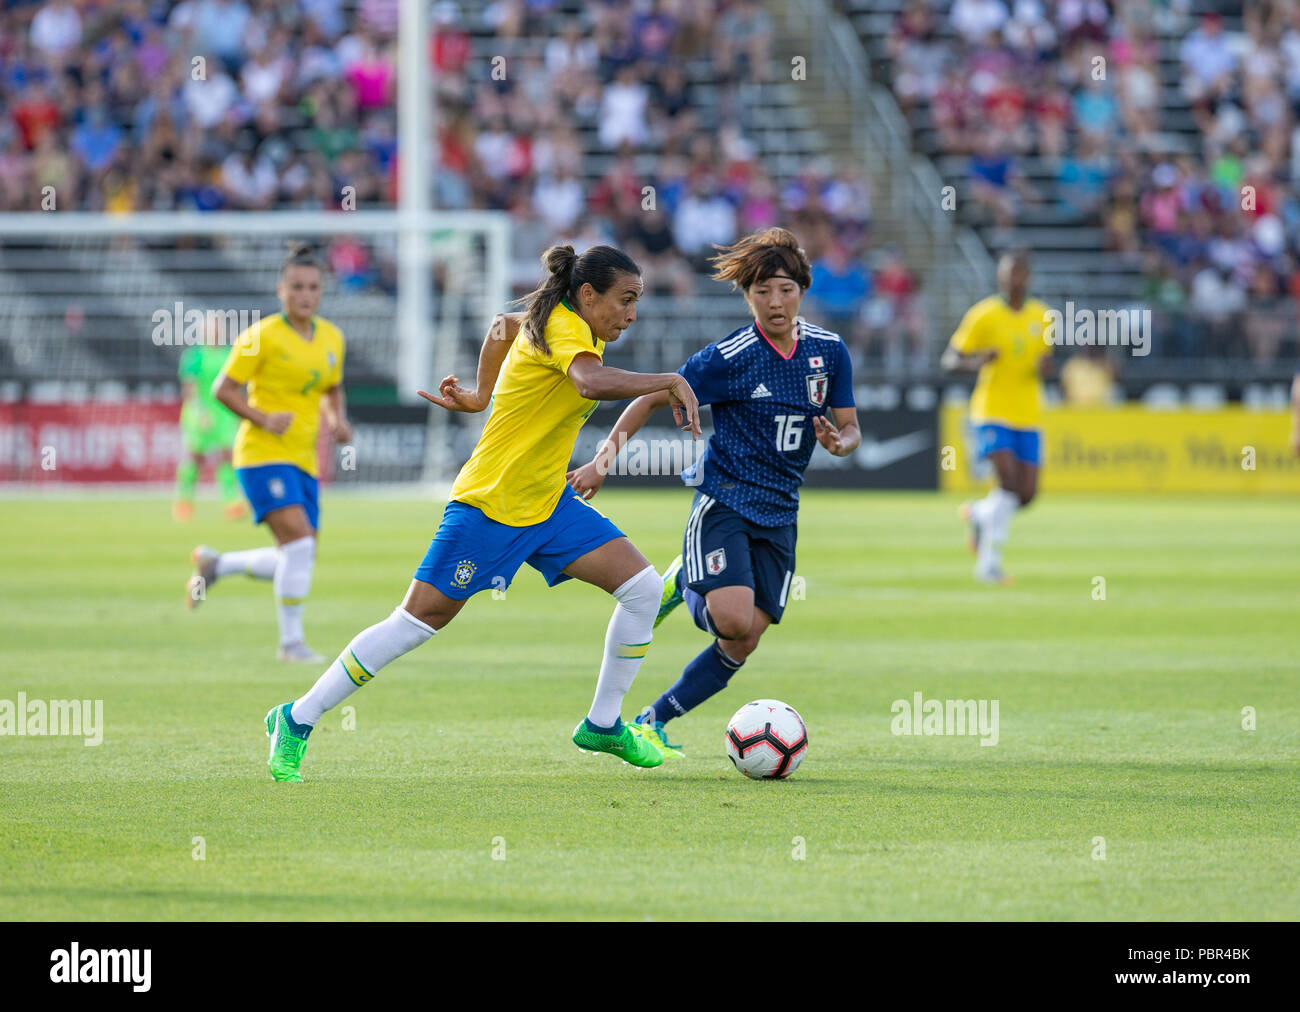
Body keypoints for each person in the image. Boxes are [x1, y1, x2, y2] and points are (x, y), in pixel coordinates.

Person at [263, 244, 702, 782]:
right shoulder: (566, 330)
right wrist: (666, 379)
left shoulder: (558, 322)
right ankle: (297, 717)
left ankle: (603, 723)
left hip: (546, 503)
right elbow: (589, 383)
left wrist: (480, 395)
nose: (631, 314)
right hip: (491, 503)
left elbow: (501, 325)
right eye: (625, 300)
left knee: (641, 589)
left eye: (636, 302)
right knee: (416, 622)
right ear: (587, 295)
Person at [566, 228, 860, 753]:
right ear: (746, 293)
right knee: (730, 615)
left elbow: (850, 426)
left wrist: (842, 443)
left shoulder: (830, 352)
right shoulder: (732, 356)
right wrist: (602, 460)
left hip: (781, 513)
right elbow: (653, 397)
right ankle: (688, 580)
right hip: (724, 500)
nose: (775, 301)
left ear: (803, 290)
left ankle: (653, 720)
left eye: (786, 289)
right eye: (762, 290)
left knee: (743, 638)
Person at [186, 244, 352, 662]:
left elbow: (331, 387)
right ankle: (291, 644)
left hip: (303, 460)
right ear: (282, 290)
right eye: (296, 286)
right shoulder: (260, 336)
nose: (305, 294)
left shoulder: (332, 338)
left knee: (298, 554)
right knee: (299, 547)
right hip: (261, 455)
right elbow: (221, 388)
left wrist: (337, 419)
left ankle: (216, 565)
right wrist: (260, 418)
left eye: (313, 287)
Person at [941, 250, 1053, 584]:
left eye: (1019, 273)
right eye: (1007, 273)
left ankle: (979, 513)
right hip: (991, 410)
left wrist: (1048, 368)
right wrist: (977, 362)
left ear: (1027, 277)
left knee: (1026, 495)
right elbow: (949, 360)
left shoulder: (1043, 316)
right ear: (1000, 277)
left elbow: (1046, 362)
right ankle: (989, 565)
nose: (1013, 279)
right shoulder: (984, 315)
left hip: (1029, 412)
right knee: (1007, 482)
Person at [172, 318, 247, 522]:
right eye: (211, 330)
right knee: (195, 457)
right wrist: (200, 412)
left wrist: (239, 412)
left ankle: (231, 502)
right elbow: (189, 388)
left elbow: (236, 385)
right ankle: (183, 501)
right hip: (200, 412)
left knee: (226, 456)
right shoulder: (194, 356)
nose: (215, 334)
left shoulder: (230, 354)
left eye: (218, 330)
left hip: (224, 413)